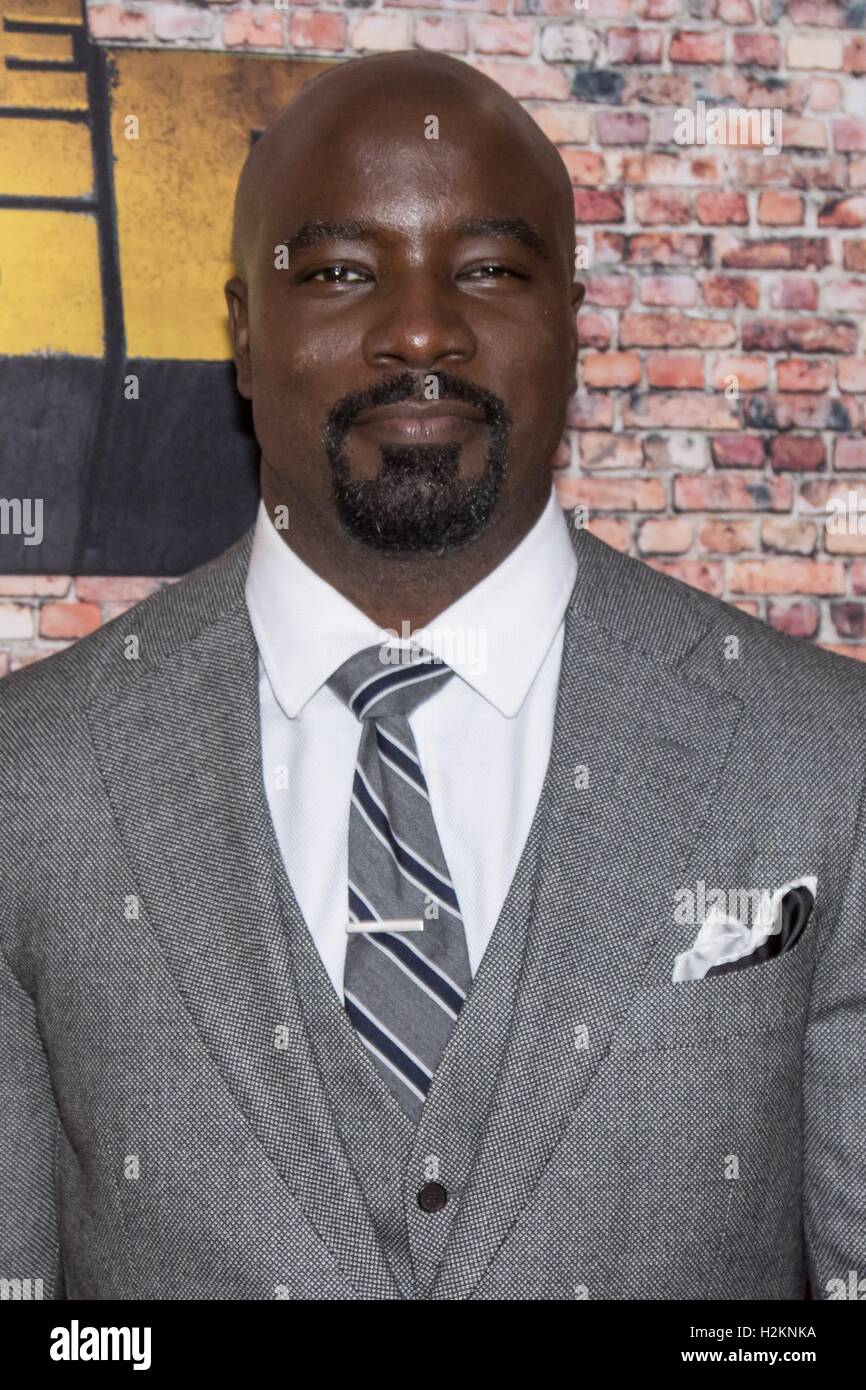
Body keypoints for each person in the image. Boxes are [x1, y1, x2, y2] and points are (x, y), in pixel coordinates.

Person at [0, 49, 864, 1302]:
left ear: (572, 318)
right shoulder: (29, 783)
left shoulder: (823, 763)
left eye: (488, 270)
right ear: (245, 335)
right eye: (344, 271)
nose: (418, 328)